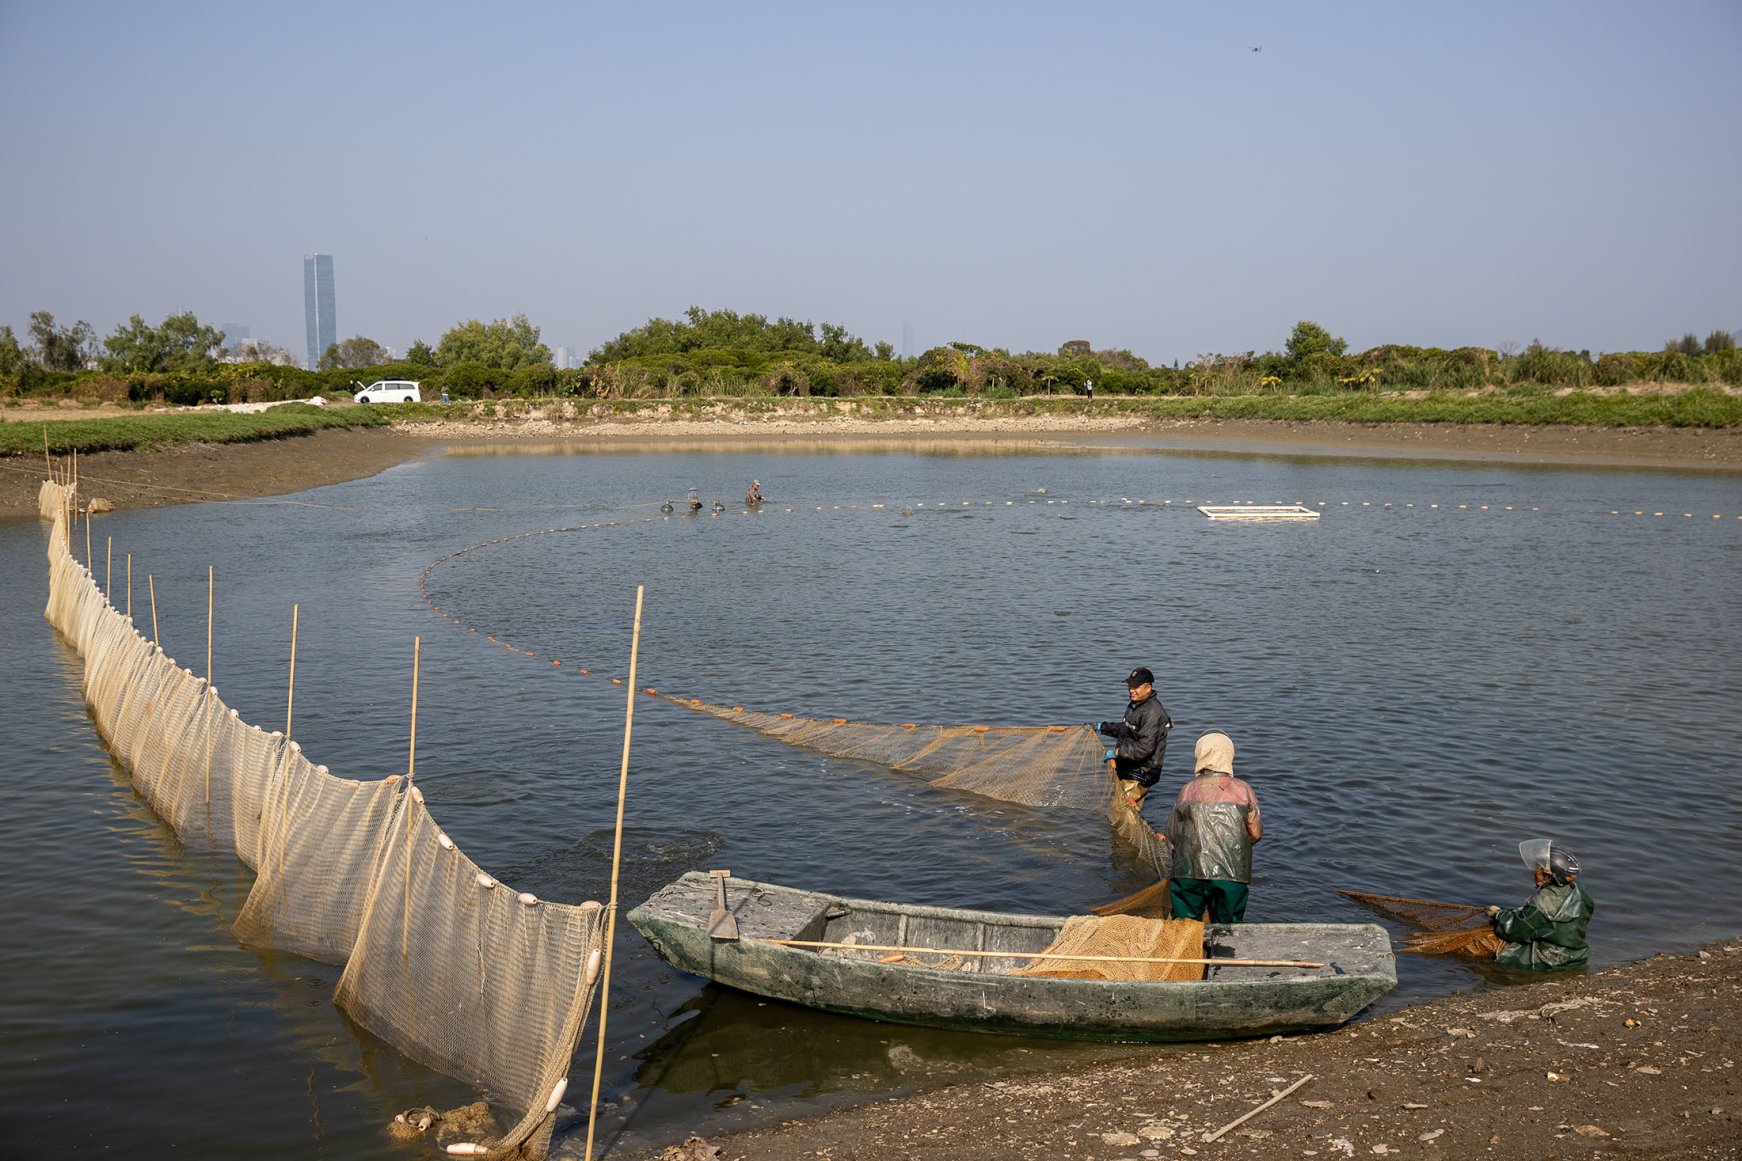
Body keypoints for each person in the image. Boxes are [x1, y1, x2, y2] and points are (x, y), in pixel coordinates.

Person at [1165, 731, 1262, 924]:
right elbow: (1256, 833)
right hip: (1232, 874)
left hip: (1188, 872)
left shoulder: (1187, 790)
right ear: (1229, 756)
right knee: (1229, 928)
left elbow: (1173, 836)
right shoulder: (1244, 790)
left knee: (1186, 927)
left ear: (1200, 755)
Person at [1486, 840, 1593, 970]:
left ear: (1550, 876)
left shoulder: (1543, 902)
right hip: (1578, 955)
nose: (1534, 871)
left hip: (1549, 962)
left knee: (1493, 962)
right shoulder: (1580, 889)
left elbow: (1516, 931)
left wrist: (1499, 914)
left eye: (1538, 869)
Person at [1097, 667, 1172, 811]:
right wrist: (1102, 727)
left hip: (1142, 772)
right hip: (1129, 766)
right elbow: (1126, 730)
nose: (1131, 690)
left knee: (1123, 810)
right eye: (1130, 686)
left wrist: (1118, 752)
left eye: (1136, 687)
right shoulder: (1135, 705)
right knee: (1118, 807)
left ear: (1148, 688)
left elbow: (1145, 747)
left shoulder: (1153, 713)